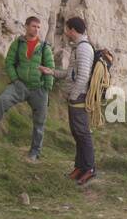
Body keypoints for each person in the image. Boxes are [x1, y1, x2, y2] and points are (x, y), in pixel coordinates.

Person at [0, 16, 54, 162]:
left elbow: (50, 68)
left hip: (38, 89)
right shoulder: (18, 43)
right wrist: (15, 79)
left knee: (39, 122)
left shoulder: (44, 47)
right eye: (34, 26)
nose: (36, 29)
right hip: (19, 85)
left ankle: (35, 152)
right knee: (2, 100)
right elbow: (9, 62)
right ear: (26, 26)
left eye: (38, 27)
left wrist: (47, 88)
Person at [40, 17, 96, 184]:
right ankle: (80, 167)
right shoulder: (78, 48)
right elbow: (70, 73)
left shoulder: (84, 49)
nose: (65, 32)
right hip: (76, 97)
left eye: (67, 29)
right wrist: (51, 72)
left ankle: (90, 169)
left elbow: (83, 76)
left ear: (72, 30)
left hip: (79, 97)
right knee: (77, 133)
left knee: (83, 134)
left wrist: (73, 96)